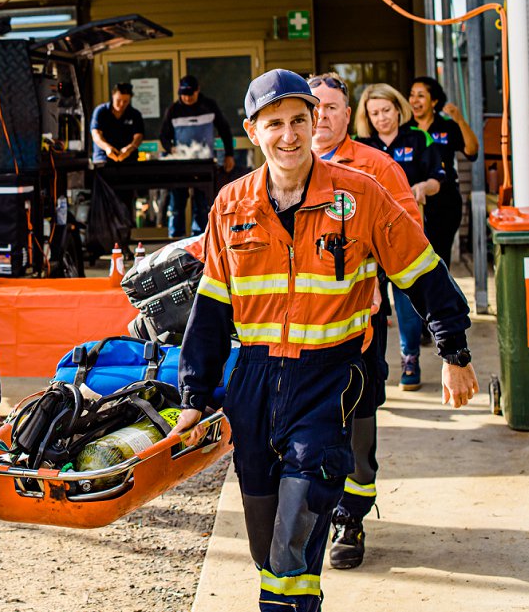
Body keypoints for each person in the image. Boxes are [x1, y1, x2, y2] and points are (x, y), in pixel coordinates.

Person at [171, 70, 476, 612]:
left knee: (295, 535)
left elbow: (422, 271)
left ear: (315, 122)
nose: (288, 135)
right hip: (255, 384)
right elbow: (212, 307)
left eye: (298, 121)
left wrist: (453, 351)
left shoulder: (360, 195)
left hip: (327, 382)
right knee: (268, 545)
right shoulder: (231, 205)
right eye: (274, 124)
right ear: (252, 131)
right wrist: (194, 397)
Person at [308, 73, 421, 571]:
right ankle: (313, 508)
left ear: (346, 113)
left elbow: (409, 234)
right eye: (314, 107)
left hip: (360, 326)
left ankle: (350, 515)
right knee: (307, 418)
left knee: (357, 417)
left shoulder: (376, 167)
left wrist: (374, 269)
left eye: (332, 107)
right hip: (302, 326)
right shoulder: (286, 167)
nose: (322, 116)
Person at [355, 83, 445, 391]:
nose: (381, 118)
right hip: (367, 240)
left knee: (407, 297)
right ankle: (369, 366)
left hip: (407, 231)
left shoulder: (419, 138)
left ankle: (410, 357)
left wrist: (421, 188)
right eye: (374, 113)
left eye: (386, 111)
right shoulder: (358, 146)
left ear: (398, 109)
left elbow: (438, 178)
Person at [409, 77, 479, 265]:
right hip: (413, 200)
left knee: (439, 257)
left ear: (434, 101)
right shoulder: (406, 129)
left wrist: (459, 120)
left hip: (445, 200)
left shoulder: (446, 127)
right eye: (412, 95)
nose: (414, 100)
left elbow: (472, 152)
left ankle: (440, 294)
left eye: (421, 96)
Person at [158, 74, 236, 236]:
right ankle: (175, 237)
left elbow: (225, 130)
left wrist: (229, 154)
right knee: (177, 204)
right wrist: (171, 149)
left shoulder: (209, 106)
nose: (187, 98)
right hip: (180, 162)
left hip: (204, 162)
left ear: (197, 90)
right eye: (183, 94)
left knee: (202, 204)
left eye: (190, 94)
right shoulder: (174, 110)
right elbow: (164, 136)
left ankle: (201, 237)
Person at [90, 82, 144, 166]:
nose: (121, 104)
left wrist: (130, 148)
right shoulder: (101, 111)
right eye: (118, 100)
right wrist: (107, 148)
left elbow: (138, 136)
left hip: (129, 160)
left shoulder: (135, 114)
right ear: (113, 96)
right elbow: (96, 135)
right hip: (103, 159)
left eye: (125, 101)